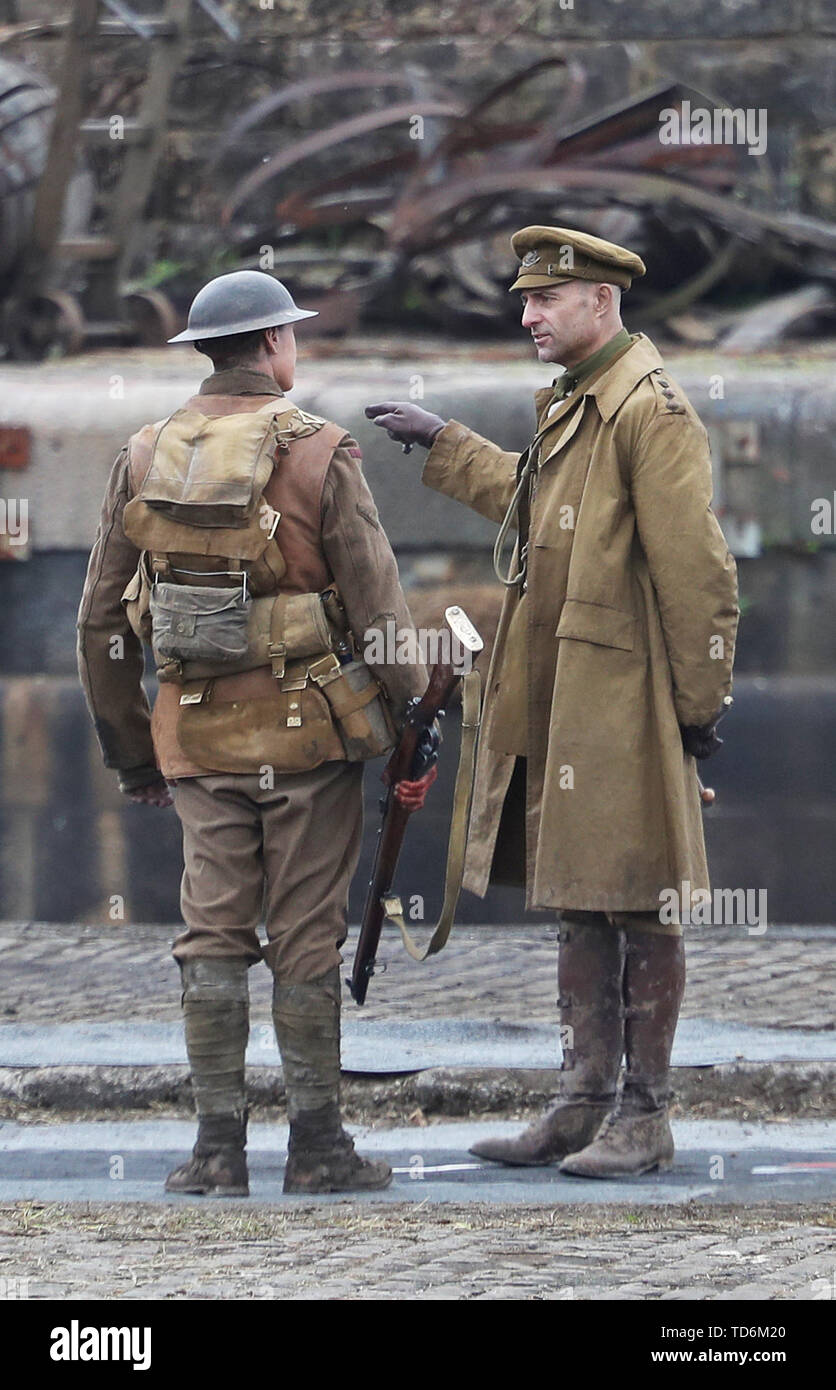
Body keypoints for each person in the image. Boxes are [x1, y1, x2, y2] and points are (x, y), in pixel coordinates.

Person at [366, 225, 739, 1177]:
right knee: (579, 898)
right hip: (571, 693)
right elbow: (539, 510)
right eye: (525, 299)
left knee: (641, 903)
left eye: (544, 300)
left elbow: (699, 577)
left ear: (601, 302)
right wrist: (443, 443)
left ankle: (645, 1120)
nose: (526, 315)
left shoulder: (650, 414)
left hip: (624, 702)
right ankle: (580, 1106)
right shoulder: (582, 403)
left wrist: (694, 716)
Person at [78, 269, 435, 1196]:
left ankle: (214, 1153)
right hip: (307, 745)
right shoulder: (321, 453)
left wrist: (132, 755)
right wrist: (410, 716)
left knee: (213, 934)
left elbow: (101, 625)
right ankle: (317, 1150)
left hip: (194, 740)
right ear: (276, 345)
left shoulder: (144, 453)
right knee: (306, 939)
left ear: (202, 350)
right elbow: (379, 607)